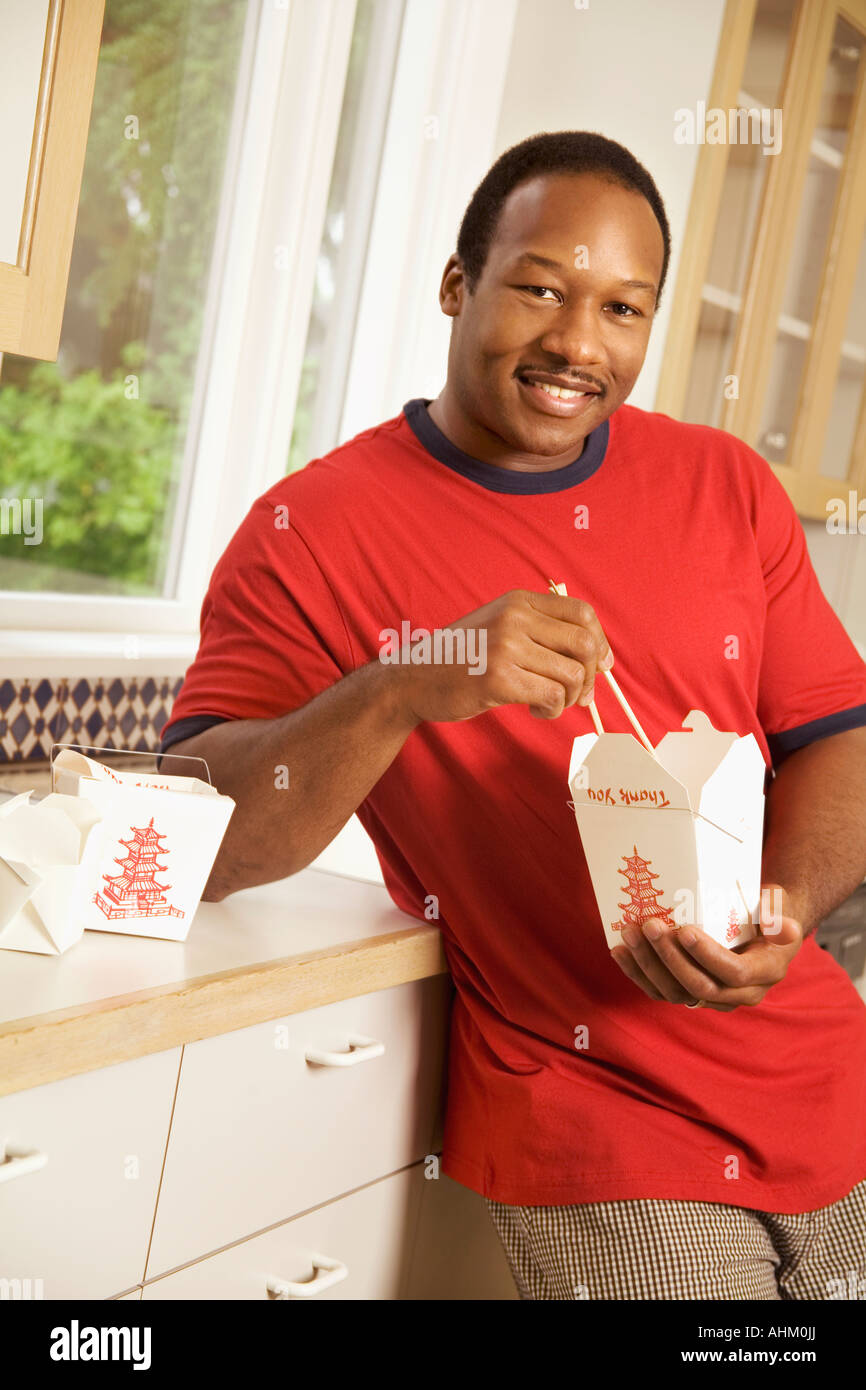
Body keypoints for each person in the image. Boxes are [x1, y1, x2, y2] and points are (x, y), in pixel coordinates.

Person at [158, 131, 866, 1300]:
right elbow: (210, 842)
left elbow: (837, 736)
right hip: (606, 1132)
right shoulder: (312, 531)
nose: (577, 344)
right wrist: (404, 684)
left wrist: (782, 905)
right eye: (539, 287)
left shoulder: (724, 485)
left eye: (622, 308)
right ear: (456, 285)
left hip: (827, 1082)